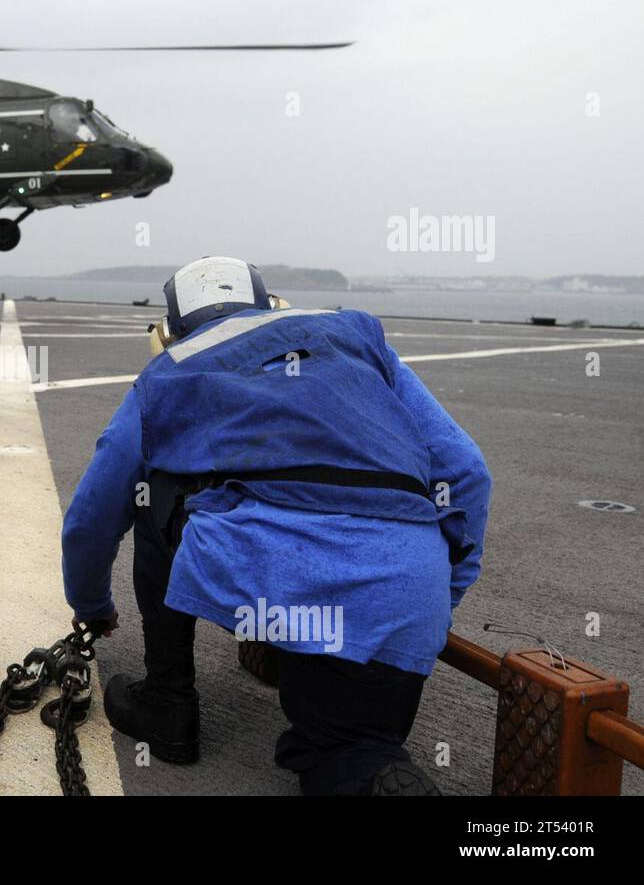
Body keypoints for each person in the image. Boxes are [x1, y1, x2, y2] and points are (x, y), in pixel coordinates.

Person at [60, 256, 491, 795]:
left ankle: (168, 702)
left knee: (149, 499)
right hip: (403, 591)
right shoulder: (352, 333)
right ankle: (364, 760)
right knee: (352, 748)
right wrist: (441, 593)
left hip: (272, 581)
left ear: (169, 331)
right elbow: (467, 471)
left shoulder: (166, 375)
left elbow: (92, 516)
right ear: (272, 305)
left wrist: (92, 606)